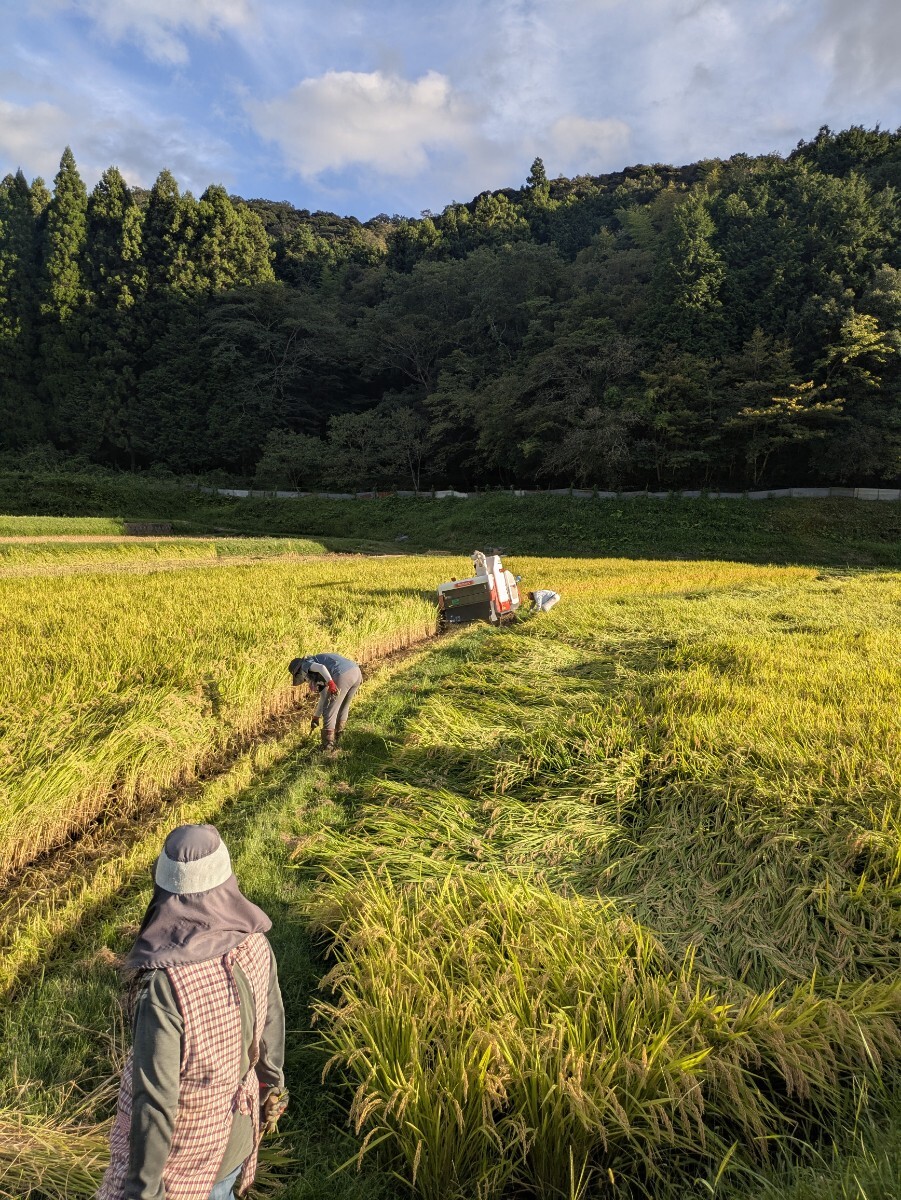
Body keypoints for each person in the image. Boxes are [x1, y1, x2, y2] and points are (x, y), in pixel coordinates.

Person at [98, 824, 287, 1200]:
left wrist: (143, 1192)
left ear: (164, 890)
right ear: (227, 881)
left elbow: (156, 1102)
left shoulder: (167, 984)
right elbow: (271, 1027)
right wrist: (272, 1090)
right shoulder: (255, 944)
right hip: (238, 1133)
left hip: (187, 1161)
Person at [289, 653, 363, 752]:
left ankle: (328, 747)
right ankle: (340, 739)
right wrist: (316, 717)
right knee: (343, 707)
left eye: (304, 679)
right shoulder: (320, 676)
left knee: (329, 710)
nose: (305, 681)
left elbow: (321, 667)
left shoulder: (305, 664)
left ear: (299, 672)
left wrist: (331, 683)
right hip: (356, 672)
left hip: (342, 674)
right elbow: (323, 698)